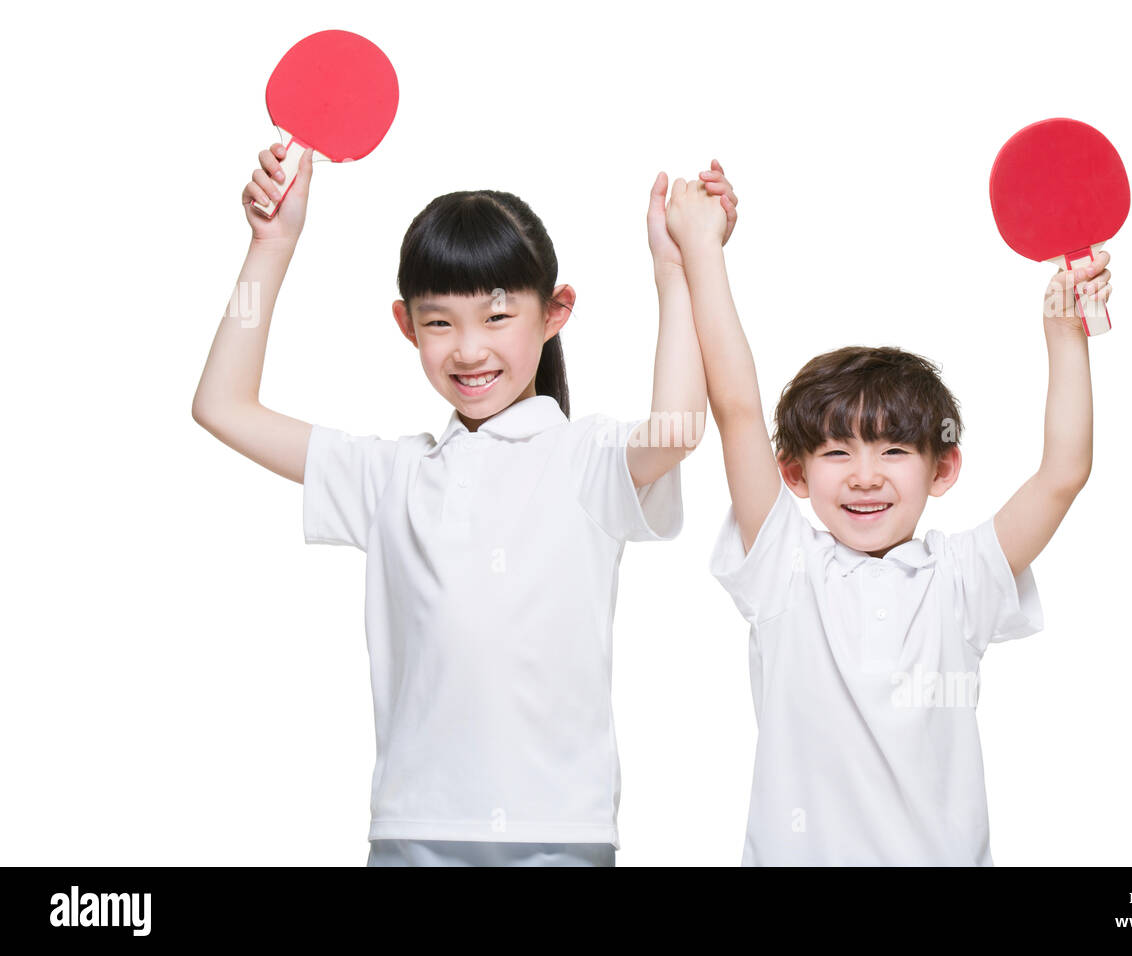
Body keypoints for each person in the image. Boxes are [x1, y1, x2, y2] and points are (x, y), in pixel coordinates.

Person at [191, 144, 738, 866]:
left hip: (561, 836)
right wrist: (271, 245)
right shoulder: (390, 475)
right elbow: (221, 406)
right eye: (440, 322)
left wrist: (678, 270)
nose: (469, 349)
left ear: (555, 313)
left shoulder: (586, 460)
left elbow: (676, 431)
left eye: (498, 316)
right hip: (413, 833)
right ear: (406, 326)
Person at [665, 171, 1107, 865]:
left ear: (942, 470)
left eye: (894, 449)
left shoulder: (960, 578)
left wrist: (1064, 330)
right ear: (794, 474)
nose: (866, 474)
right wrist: (702, 249)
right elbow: (738, 409)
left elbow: (1063, 474)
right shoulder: (787, 566)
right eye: (837, 451)